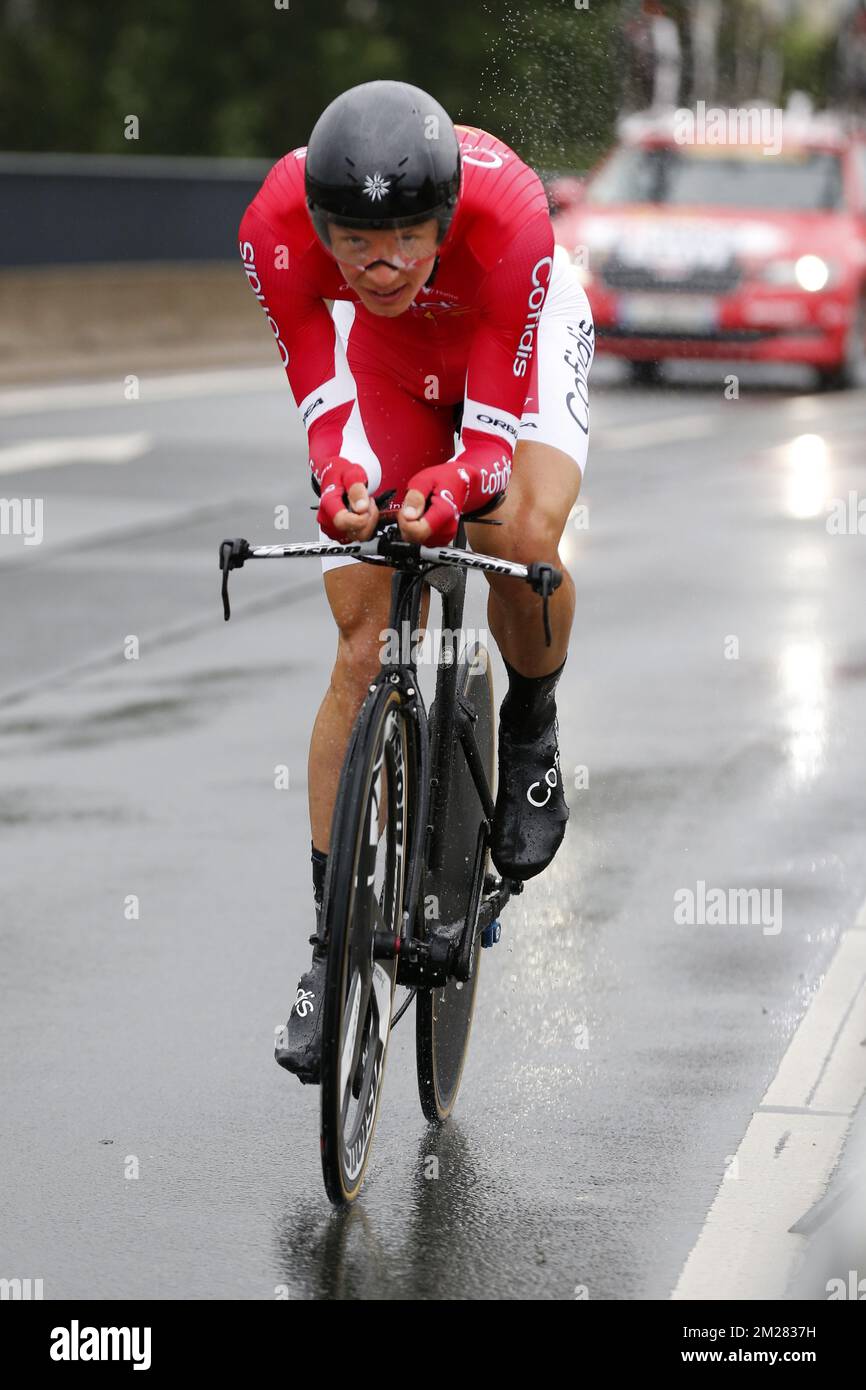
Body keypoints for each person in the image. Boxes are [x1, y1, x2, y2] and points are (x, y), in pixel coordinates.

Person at [239, 80, 594, 1083]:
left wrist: (449, 488)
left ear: (441, 218)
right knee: (362, 634)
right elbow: (322, 401)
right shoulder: (271, 222)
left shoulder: (510, 219)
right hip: (395, 366)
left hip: (504, 337)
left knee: (513, 529)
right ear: (316, 224)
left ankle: (530, 722)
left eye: (403, 235)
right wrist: (339, 480)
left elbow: (487, 440)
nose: (379, 262)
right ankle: (328, 951)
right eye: (352, 240)